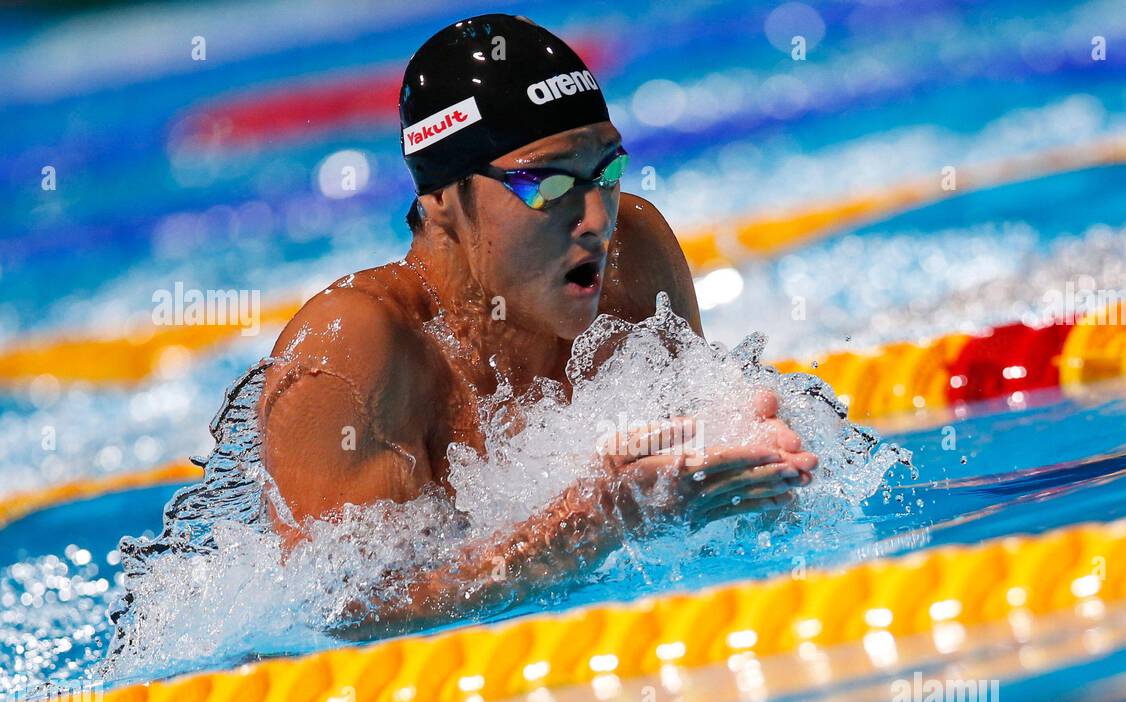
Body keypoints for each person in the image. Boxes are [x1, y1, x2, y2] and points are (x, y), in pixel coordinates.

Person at [258, 14, 818, 636]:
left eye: (605, 174)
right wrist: (597, 522)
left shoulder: (635, 258)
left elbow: (702, 511)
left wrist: (750, 474)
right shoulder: (355, 355)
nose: (595, 220)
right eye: (547, 184)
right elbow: (349, 617)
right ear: (441, 197)